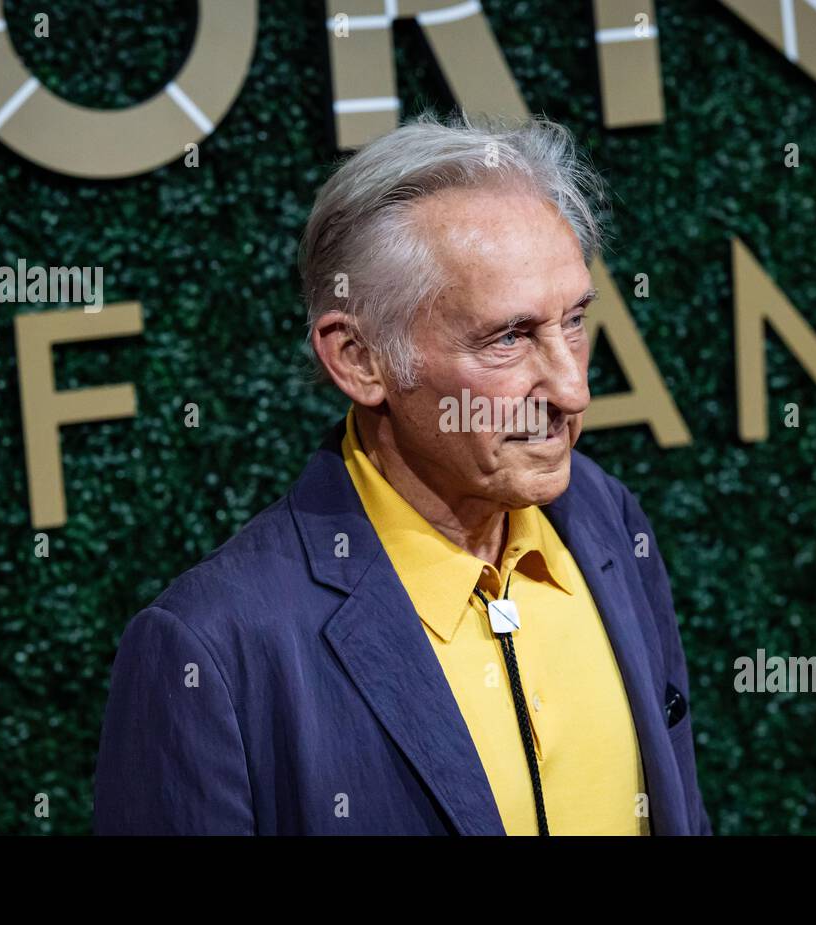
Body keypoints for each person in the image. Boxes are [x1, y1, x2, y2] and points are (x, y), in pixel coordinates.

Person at [93, 111, 712, 836]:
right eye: (509, 337)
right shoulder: (213, 648)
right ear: (359, 359)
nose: (572, 389)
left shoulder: (609, 520)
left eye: (573, 321)